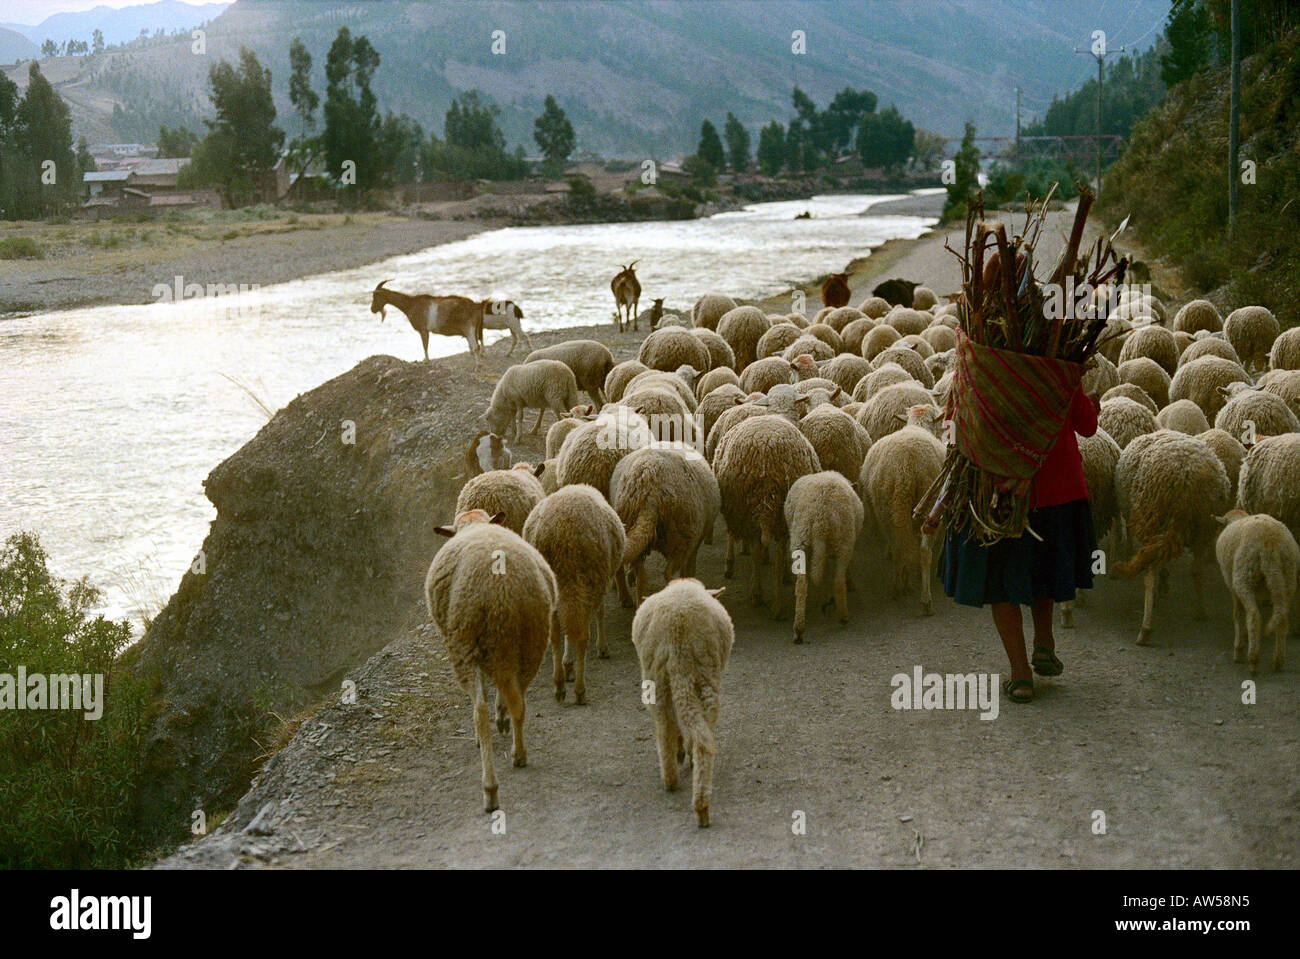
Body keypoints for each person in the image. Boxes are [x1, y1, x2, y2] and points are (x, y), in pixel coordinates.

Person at [941, 384, 1100, 703]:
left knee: (1001, 581)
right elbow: (1088, 426)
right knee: (1044, 567)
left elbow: (951, 431)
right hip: (1056, 489)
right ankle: (1044, 641)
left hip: (997, 491)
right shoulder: (1057, 366)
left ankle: (1020, 675)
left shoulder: (977, 364)